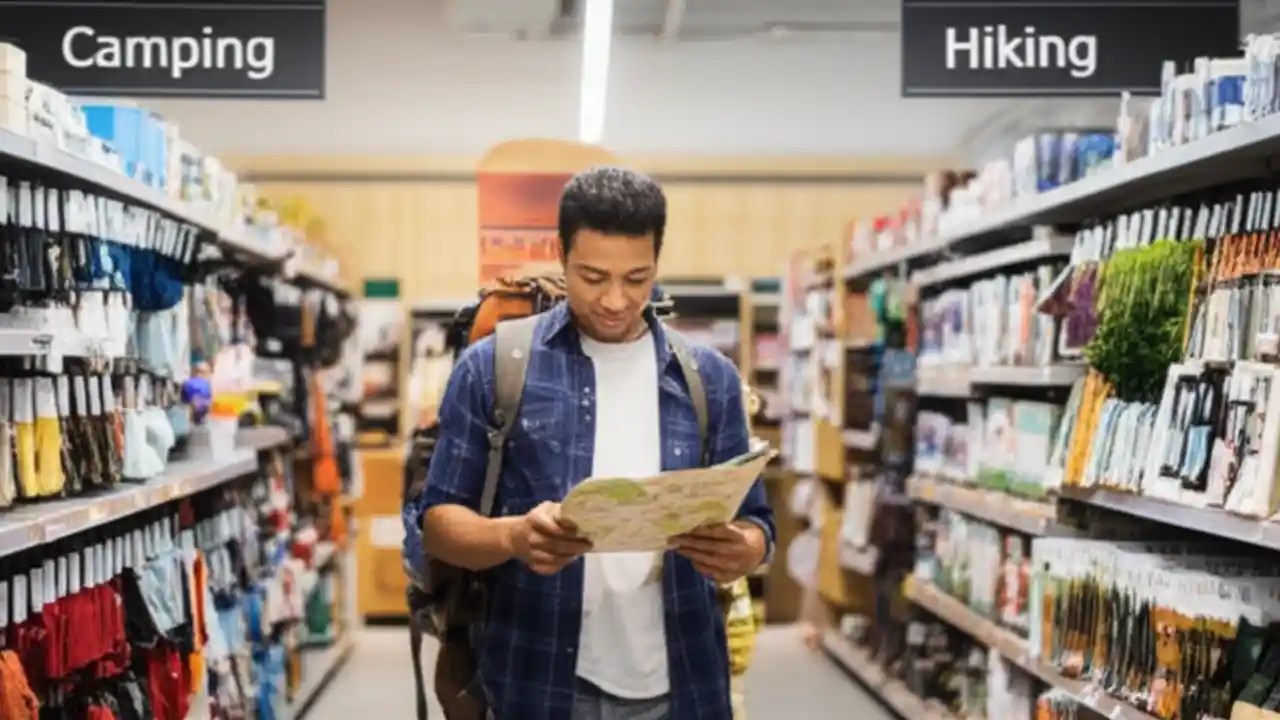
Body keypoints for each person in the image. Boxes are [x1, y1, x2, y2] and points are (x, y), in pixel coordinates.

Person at [413, 165, 776, 720]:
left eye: (637, 278)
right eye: (592, 276)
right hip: (537, 679)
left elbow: (756, 523)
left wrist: (747, 548)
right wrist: (511, 537)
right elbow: (437, 524)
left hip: (684, 681)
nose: (614, 300)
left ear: (658, 261)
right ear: (561, 256)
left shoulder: (710, 379)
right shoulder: (493, 368)